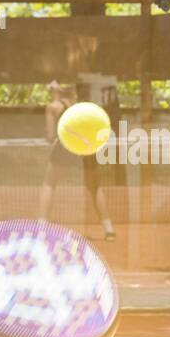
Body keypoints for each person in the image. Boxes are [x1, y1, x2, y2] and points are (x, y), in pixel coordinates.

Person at [40, 80, 115, 240]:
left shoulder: (53, 107)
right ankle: (109, 229)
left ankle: (41, 227)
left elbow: (51, 136)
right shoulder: (82, 107)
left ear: (57, 89)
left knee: (49, 184)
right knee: (95, 187)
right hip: (87, 149)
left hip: (64, 148)